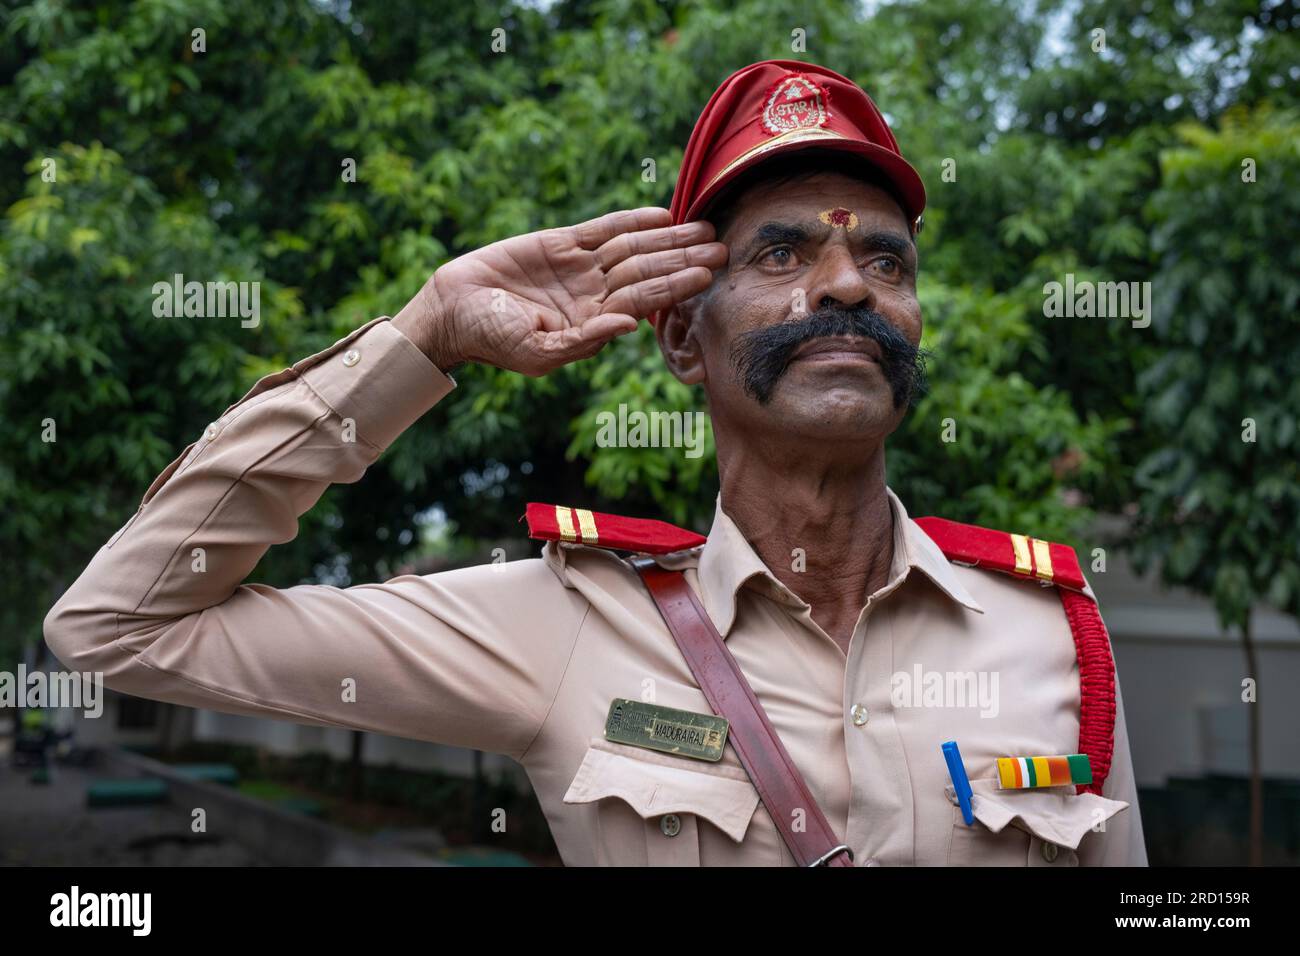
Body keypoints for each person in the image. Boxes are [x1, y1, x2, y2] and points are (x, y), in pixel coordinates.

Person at [44, 60, 1146, 866]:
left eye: (882, 258)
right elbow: (117, 627)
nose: (848, 285)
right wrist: (421, 337)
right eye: (781, 251)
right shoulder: (559, 625)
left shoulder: (1052, 627)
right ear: (679, 339)